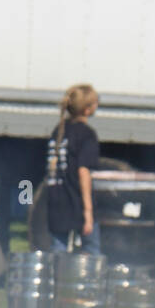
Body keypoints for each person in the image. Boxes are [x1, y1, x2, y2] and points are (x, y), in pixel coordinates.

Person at [45, 84, 100, 253]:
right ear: (87, 110)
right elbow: (83, 172)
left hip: (56, 200)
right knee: (92, 250)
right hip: (76, 201)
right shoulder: (86, 134)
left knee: (58, 250)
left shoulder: (58, 131)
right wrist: (88, 213)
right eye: (95, 103)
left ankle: (57, 278)